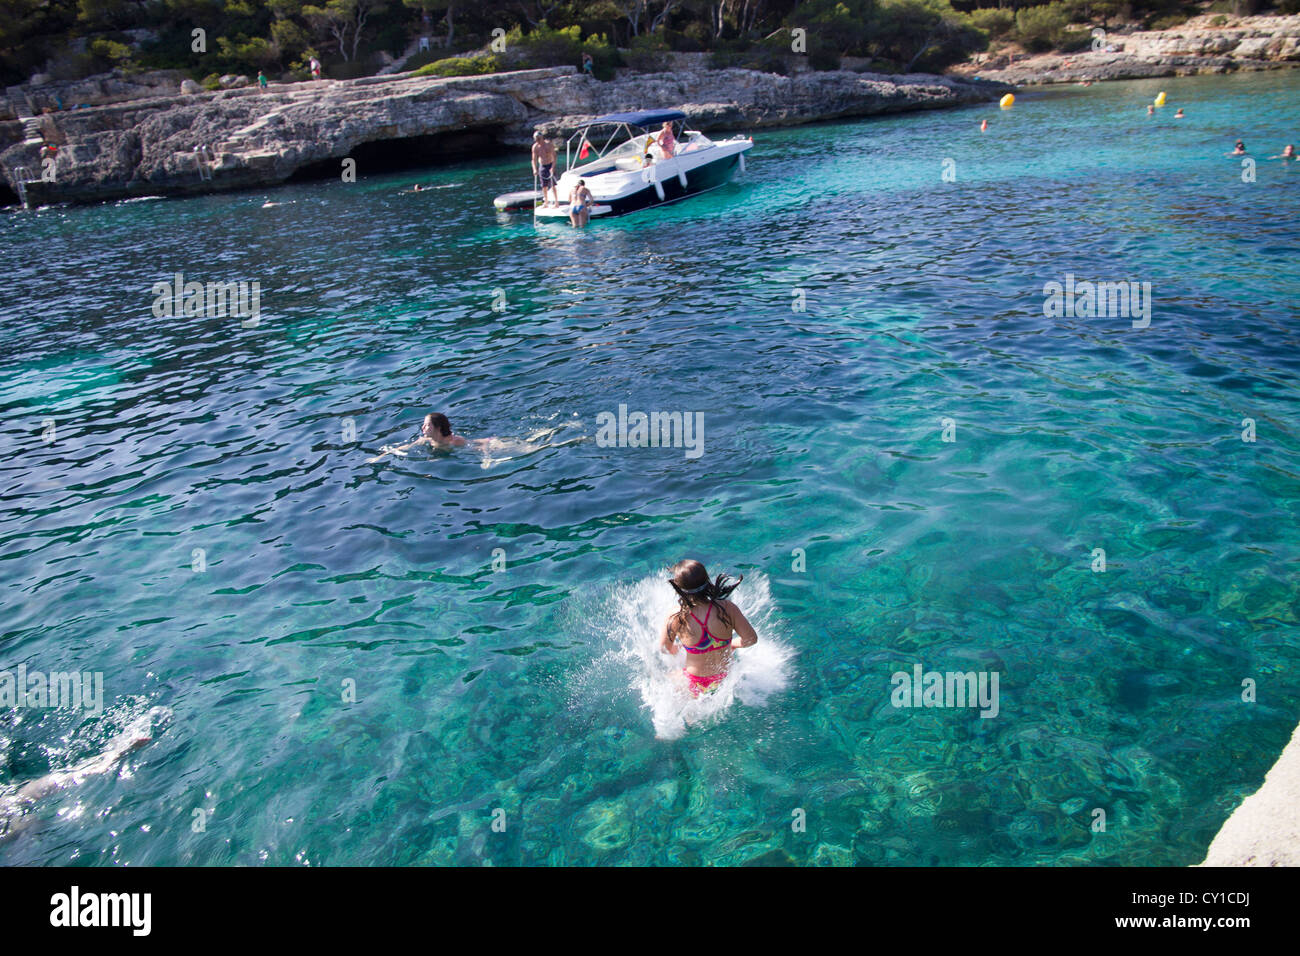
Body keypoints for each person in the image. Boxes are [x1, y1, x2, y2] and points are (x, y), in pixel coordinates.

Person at [658, 560, 758, 697]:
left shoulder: (676, 616)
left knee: (663, 677)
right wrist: (732, 644)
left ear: (679, 589)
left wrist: (680, 648)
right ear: (707, 581)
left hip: (696, 683)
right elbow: (751, 639)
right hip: (726, 678)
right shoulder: (727, 608)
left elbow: (664, 648)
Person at [367, 412, 468, 463]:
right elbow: (404, 447)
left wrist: (484, 459)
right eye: (423, 424)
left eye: (427, 425)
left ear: (438, 428)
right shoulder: (426, 440)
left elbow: (479, 445)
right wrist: (379, 457)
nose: (422, 427)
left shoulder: (454, 441)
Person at [532, 131, 559, 207]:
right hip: (542, 166)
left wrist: (553, 168)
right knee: (544, 186)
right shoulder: (535, 147)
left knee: (553, 185)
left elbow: (554, 156)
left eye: (539, 139)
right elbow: (534, 159)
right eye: (536, 139)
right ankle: (546, 202)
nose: (538, 141)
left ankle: (556, 202)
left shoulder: (548, 145)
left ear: (542, 138)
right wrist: (534, 169)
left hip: (550, 164)